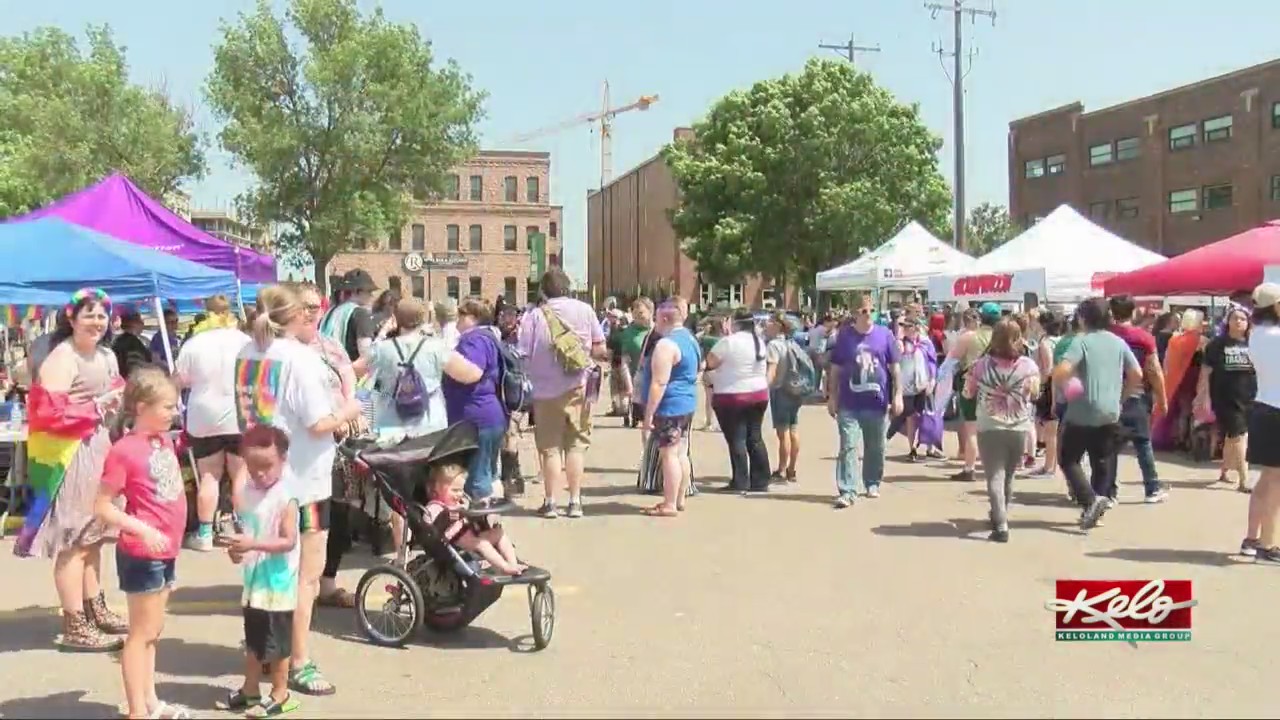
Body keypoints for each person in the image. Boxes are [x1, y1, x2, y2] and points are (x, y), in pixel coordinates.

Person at [235, 284, 362, 697]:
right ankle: (298, 661)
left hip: (258, 484)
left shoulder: (246, 354)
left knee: (266, 576)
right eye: (306, 311)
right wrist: (349, 410)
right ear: (292, 316)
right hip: (303, 484)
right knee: (304, 579)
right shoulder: (298, 359)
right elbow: (318, 422)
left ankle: (269, 654)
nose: (312, 316)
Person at [16, 288, 128, 651]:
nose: (97, 322)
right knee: (74, 539)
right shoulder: (62, 358)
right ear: (72, 318)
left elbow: (115, 390)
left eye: (102, 315)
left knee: (94, 535)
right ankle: (75, 623)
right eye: (89, 314)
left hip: (99, 447)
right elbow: (45, 414)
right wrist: (96, 408)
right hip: (70, 454)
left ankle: (95, 607)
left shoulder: (107, 354)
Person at [93, 368, 187, 719]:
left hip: (166, 550)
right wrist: (141, 529)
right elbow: (102, 506)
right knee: (141, 633)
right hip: (143, 553)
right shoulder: (124, 450)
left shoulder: (163, 442)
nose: (173, 413)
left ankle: (150, 701)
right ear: (143, 407)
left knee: (153, 632)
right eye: (167, 407)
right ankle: (137, 710)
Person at [220, 424, 302, 717]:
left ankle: (281, 692)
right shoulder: (249, 492)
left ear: (283, 460)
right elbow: (245, 531)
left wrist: (253, 543)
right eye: (252, 467)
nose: (259, 473)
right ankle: (250, 689)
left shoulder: (286, 496)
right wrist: (237, 549)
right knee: (253, 639)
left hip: (279, 583)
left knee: (277, 644)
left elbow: (289, 540)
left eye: (266, 466)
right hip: (254, 581)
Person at [517, 268, 607, 519]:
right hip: (579, 386)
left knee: (550, 448)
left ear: (544, 291)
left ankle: (550, 502)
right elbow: (600, 349)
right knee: (576, 445)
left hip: (544, 392)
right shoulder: (585, 310)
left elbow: (523, 354)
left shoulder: (534, 316)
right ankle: (576, 501)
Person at [293, 284, 362, 608]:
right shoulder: (286, 350)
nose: (310, 312)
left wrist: (351, 411)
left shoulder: (331, 346)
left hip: (338, 444)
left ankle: (327, 583)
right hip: (300, 448)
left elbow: (350, 382)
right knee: (301, 519)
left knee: (339, 516)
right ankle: (298, 585)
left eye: (314, 306)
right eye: (303, 306)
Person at [1051, 298, 1143, 530]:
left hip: (1083, 409)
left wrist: (1071, 390)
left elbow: (1061, 372)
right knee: (1101, 460)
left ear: (1082, 318)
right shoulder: (1118, 342)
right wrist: (1121, 397)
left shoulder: (1082, 342)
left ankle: (1089, 501)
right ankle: (1097, 508)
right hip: (1110, 409)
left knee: (1068, 459)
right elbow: (1137, 374)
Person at [174, 294, 252, 552]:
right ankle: (244, 528)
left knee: (209, 474)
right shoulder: (245, 341)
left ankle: (205, 533)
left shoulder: (195, 343)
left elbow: (178, 380)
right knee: (240, 473)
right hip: (239, 412)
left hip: (203, 414)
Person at [963, 319, 1040, 543]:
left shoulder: (981, 365)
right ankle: (1001, 512)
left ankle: (1001, 523)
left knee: (994, 476)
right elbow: (1034, 394)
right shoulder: (1028, 365)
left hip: (989, 426)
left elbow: (968, 393)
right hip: (1019, 427)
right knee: (1009, 475)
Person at [366, 298, 482, 442]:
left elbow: (358, 367)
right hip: (429, 424)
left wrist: (382, 333)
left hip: (391, 426)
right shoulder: (436, 347)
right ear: (422, 320)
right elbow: (470, 375)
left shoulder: (381, 349)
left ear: (395, 319)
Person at [828, 294, 902, 507]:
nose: (868, 314)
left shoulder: (885, 335)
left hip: (877, 401)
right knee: (848, 446)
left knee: (875, 446)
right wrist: (832, 397)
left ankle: (872, 482)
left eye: (872, 310)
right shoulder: (845, 337)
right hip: (848, 402)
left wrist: (897, 395)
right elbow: (835, 369)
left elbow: (895, 368)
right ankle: (847, 490)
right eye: (863, 311)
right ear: (854, 314)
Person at [639, 301, 700, 516]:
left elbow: (659, 383)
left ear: (664, 319)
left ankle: (670, 503)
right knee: (681, 451)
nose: (654, 323)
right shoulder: (690, 339)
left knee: (669, 454)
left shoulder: (666, 345)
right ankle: (679, 497)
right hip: (687, 403)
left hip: (670, 406)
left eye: (656, 318)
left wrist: (648, 415)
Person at [444, 298, 507, 501]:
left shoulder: (474, 340)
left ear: (473, 318)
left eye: (461, 314)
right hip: (489, 416)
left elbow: (472, 373)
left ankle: (485, 526)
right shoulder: (489, 337)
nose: (457, 319)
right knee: (490, 474)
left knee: (477, 481)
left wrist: (442, 357)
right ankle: (493, 517)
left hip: (476, 418)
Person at [1108, 295, 1169, 504]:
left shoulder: (1105, 336)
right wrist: (1163, 398)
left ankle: (1108, 491)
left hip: (1109, 395)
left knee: (1110, 445)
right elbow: (1154, 369)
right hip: (1136, 395)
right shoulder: (1143, 337)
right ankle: (1152, 488)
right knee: (1143, 442)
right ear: (1133, 312)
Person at [706, 309, 772, 494]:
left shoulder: (727, 342)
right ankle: (760, 479)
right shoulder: (759, 341)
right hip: (758, 393)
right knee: (755, 437)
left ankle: (740, 480)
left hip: (732, 395)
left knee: (737, 439)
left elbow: (710, 362)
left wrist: (726, 335)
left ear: (734, 323)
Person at [424, 462, 524, 574]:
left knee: (498, 533)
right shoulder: (435, 506)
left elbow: (472, 507)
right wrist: (449, 515)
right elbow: (428, 524)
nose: (459, 494)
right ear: (437, 488)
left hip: (470, 534)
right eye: (454, 490)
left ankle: (513, 563)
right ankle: (504, 566)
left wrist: (481, 504)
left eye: (461, 490)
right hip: (455, 541)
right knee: (482, 544)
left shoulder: (460, 502)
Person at [1200, 305, 1255, 494]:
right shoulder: (1217, 344)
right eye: (1234, 318)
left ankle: (1224, 470)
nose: (1238, 321)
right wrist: (1203, 396)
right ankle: (1244, 479)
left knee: (1233, 437)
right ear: (1228, 322)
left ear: (1248, 323)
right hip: (1225, 397)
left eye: (1242, 319)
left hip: (1249, 396)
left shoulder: (1253, 343)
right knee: (1240, 435)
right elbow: (1205, 372)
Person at [947, 304, 999, 482]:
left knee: (971, 427)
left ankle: (969, 468)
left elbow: (952, 358)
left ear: (981, 317)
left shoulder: (969, 337)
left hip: (972, 385)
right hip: (996, 386)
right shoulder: (1002, 337)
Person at [765, 312, 801, 481]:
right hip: (795, 390)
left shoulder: (773, 345)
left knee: (783, 433)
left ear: (777, 325)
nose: (766, 326)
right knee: (793, 430)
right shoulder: (791, 342)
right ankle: (792, 469)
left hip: (780, 391)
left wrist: (765, 388)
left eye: (769, 322)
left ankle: (781, 469)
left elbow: (772, 371)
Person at [897, 319, 937, 463]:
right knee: (910, 417)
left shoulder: (925, 343)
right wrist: (899, 338)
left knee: (927, 415)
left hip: (924, 384)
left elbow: (932, 361)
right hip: (907, 387)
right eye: (904, 326)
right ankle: (912, 448)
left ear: (916, 327)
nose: (906, 329)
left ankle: (930, 448)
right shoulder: (901, 343)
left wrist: (932, 379)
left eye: (909, 326)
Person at [318, 269, 377, 365]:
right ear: (357, 291)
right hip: (350, 372)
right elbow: (367, 354)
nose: (371, 295)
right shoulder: (360, 314)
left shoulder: (330, 312)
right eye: (369, 291)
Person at [1031, 310, 1063, 478]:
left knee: (1051, 430)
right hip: (1064, 385)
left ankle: (1049, 467)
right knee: (1054, 429)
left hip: (1050, 386)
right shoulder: (1063, 341)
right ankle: (1050, 465)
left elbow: (1048, 368)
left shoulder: (1045, 343)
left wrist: (1040, 384)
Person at [617, 298, 654, 429]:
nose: (637, 316)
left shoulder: (658, 330)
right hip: (638, 381)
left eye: (641, 313)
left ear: (651, 312)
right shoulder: (628, 333)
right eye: (634, 313)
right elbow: (625, 361)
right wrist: (628, 383)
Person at [111, 310, 153, 380]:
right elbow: (135, 366)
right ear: (133, 323)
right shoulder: (132, 343)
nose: (143, 324)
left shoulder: (118, 340)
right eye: (141, 321)